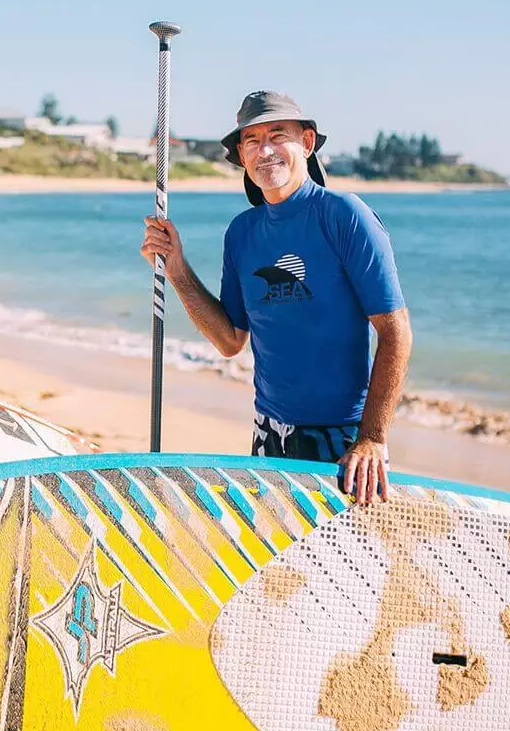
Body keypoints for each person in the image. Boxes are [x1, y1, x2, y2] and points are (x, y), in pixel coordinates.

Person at [140, 91, 412, 504]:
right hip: (269, 435)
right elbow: (231, 339)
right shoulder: (242, 232)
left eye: (277, 135)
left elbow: (396, 334)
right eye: (252, 141)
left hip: (346, 442)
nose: (265, 150)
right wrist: (177, 269)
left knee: (343, 566)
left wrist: (372, 438)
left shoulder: (345, 215)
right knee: (279, 565)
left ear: (305, 143)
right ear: (242, 158)